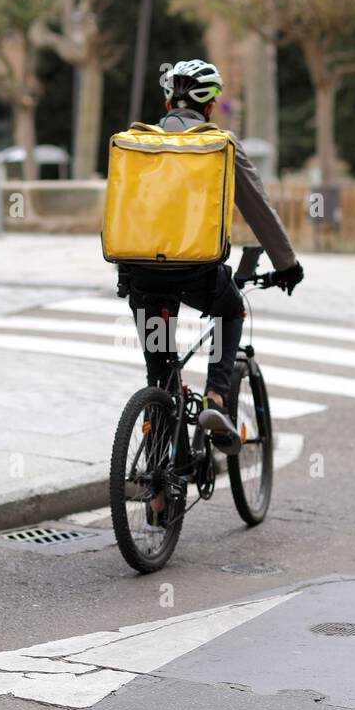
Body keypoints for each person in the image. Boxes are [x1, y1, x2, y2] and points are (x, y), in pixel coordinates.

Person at [118, 58, 303, 471]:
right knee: (230, 309)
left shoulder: (138, 144)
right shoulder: (218, 143)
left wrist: (125, 275)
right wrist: (286, 263)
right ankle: (218, 397)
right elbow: (258, 209)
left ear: (167, 102)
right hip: (195, 273)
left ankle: (161, 494)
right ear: (210, 106)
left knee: (159, 375)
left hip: (142, 275)